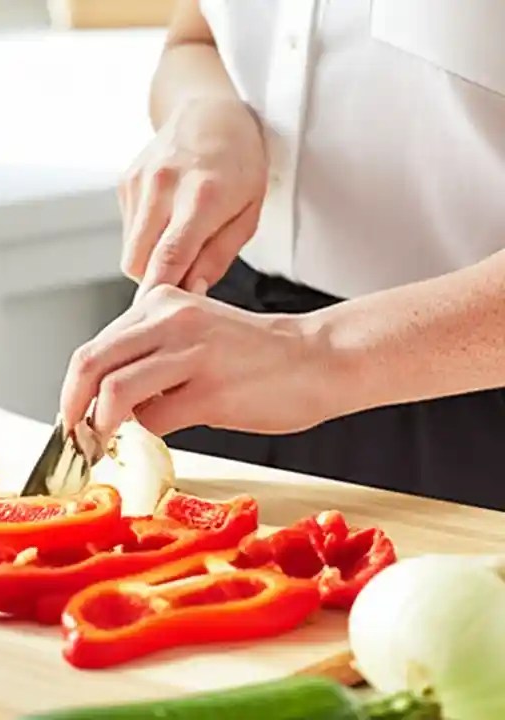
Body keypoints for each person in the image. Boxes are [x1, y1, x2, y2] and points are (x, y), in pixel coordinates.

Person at [58, 0, 505, 511]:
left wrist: (317, 354)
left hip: (470, 395)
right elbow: (196, 37)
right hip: (232, 345)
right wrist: (207, 112)